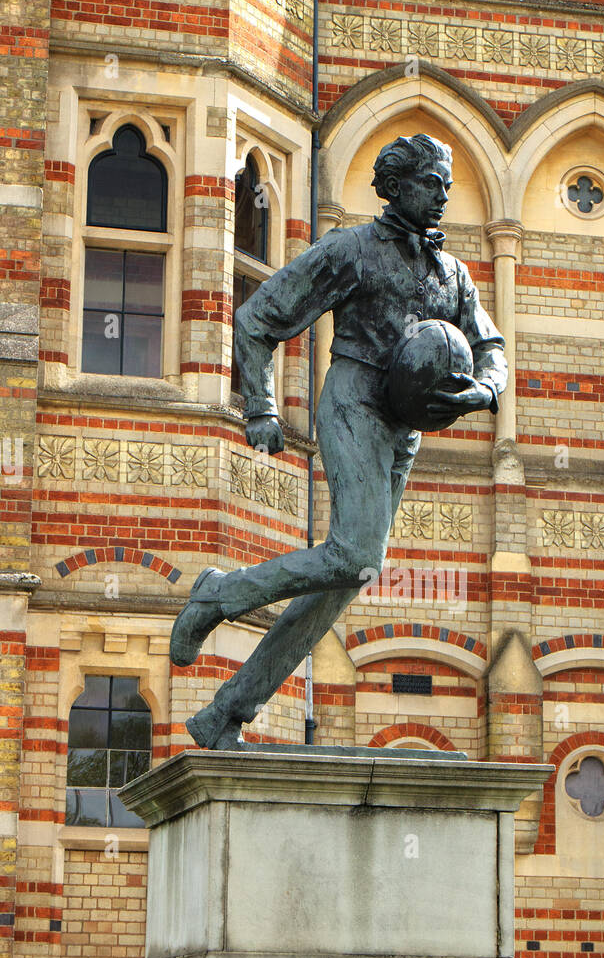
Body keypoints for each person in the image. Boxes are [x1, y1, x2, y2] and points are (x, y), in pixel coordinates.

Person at [170, 132, 507, 748]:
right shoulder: (351, 249)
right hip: (354, 398)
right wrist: (263, 409)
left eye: (446, 187)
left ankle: (226, 711)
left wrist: (484, 389)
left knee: (345, 578)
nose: (442, 197)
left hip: (408, 423)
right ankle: (219, 594)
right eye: (431, 183)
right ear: (396, 185)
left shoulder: (451, 273)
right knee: (354, 557)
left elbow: (491, 347)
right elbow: (257, 318)